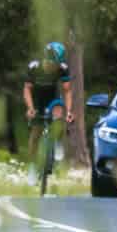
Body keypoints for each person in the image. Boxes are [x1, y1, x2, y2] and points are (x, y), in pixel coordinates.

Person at [24, 40, 74, 168]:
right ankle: (32, 167)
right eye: (53, 65)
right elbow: (27, 89)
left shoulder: (62, 69)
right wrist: (30, 108)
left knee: (59, 115)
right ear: (47, 60)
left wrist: (68, 111)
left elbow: (67, 91)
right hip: (37, 99)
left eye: (57, 65)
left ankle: (58, 142)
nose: (55, 68)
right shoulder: (34, 67)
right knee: (35, 133)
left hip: (54, 98)